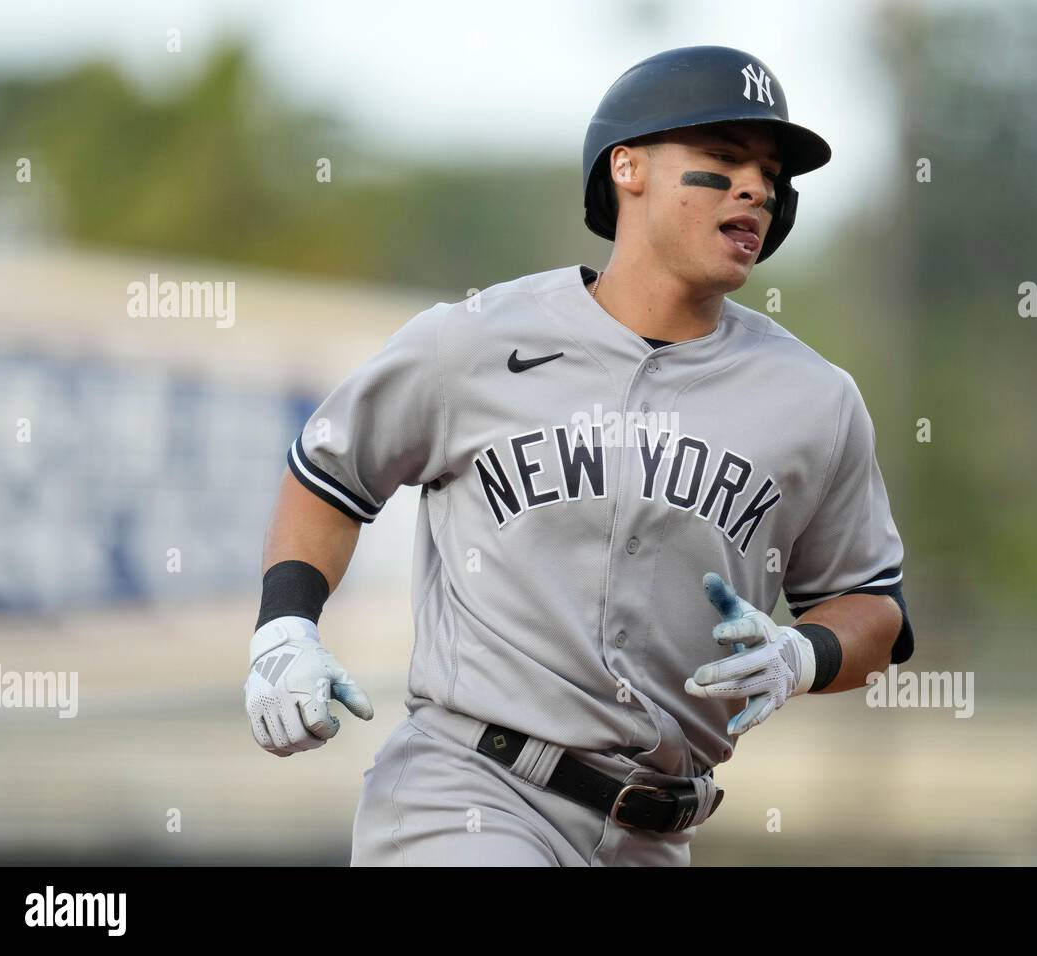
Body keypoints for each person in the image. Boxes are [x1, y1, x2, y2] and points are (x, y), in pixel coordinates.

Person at [244, 45, 914, 866]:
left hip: (655, 833)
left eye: (770, 173)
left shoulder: (816, 399)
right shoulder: (479, 340)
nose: (757, 188)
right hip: (468, 795)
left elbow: (872, 604)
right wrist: (284, 630)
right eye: (723, 159)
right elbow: (330, 476)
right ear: (626, 167)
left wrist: (801, 654)